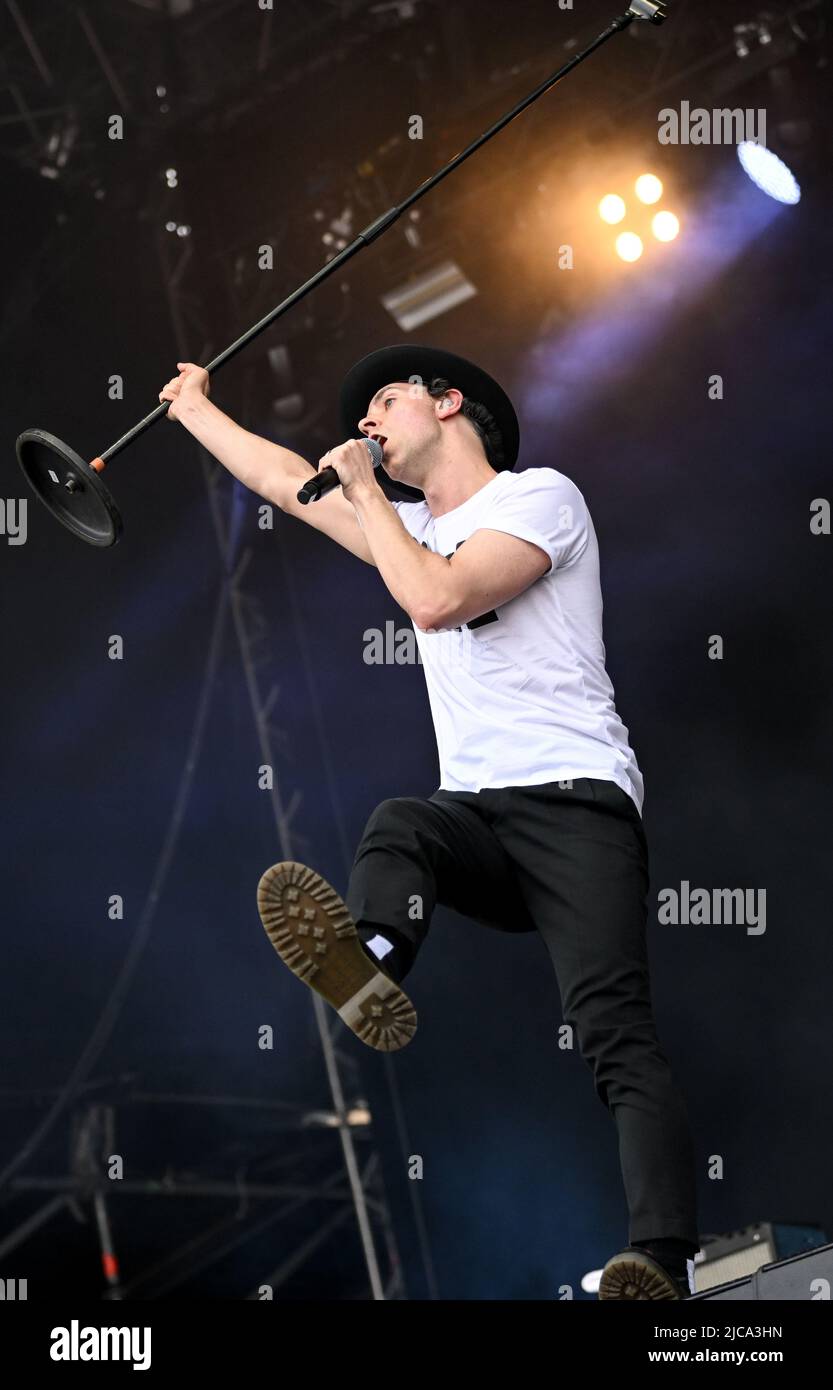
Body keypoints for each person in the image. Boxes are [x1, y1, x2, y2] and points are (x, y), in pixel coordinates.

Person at [159, 344, 700, 1300]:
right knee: (402, 822)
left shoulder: (540, 497)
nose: (363, 422)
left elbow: (435, 597)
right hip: (478, 816)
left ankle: (656, 1262)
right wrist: (197, 409)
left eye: (385, 400)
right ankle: (368, 961)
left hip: (577, 804)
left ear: (450, 405)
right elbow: (288, 481)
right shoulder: (399, 521)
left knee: (612, 1028)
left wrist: (366, 495)